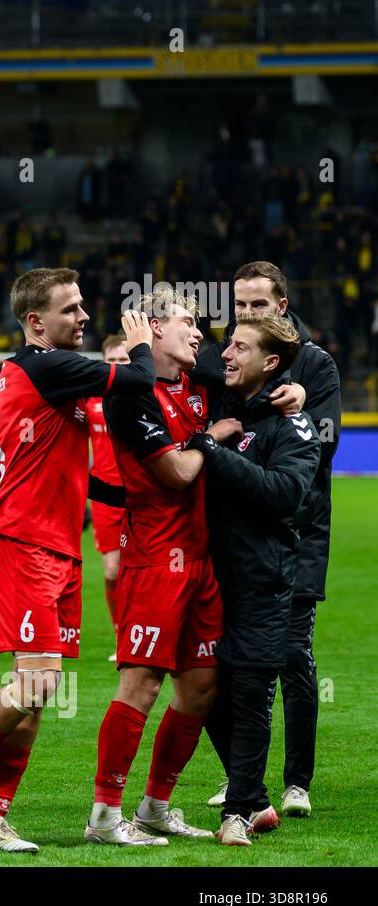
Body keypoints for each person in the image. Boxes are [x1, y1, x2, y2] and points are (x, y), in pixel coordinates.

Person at [0, 268, 158, 853]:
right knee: (39, 681)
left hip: (57, 546)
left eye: (83, 306)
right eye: (71, 309)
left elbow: (88, 472)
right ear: (36, 323)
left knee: (34, 692)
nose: (83, 317)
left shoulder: (55, 379)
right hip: (22, 543)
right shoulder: (45, 366)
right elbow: (137, 378)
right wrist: (140, 342)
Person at [84, 294, 223, 847]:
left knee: (201, 686)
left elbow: (266, 360)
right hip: (154, 560)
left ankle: (155, 805)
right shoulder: (130, 395)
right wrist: (217, 436)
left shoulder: (202, 384)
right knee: (140, 684)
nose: (198, 332)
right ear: (154, 327)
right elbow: (175, 474)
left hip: (203, 561)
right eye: (187, 322)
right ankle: (103, 816)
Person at [204, 261, 341, 820]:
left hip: (298, 531)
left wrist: (299, 406)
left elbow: (324, 445)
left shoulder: (316, 365)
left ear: (282, 306)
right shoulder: (226, 359)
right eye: (239, 306)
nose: (247, 314)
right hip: (236, 538)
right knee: (224, 664)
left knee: (291, 653)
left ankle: (297, 781)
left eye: (258, 306)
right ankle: (243, 779)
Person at [190, 314, 320, 846]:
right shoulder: (224, 399)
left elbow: (283, 494)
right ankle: (254, 798)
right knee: (200, 689)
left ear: (270, 363)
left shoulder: (294, 426)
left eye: (240, 348)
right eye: (228, 344)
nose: (226, 355)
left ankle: (240, 808)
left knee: (248, 690)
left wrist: (212, 451)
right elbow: (187, 352)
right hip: (204, 576)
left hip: (261, 580)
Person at [82, 335, 130, 661]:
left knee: (143, 570)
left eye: (125, 361)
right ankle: (120, 636)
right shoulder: (90, 400)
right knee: (112, 571)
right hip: (104, 499)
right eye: (112, 361)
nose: (118, 367)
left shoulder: (148, 395)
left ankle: (144, 634)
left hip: (141, 495)